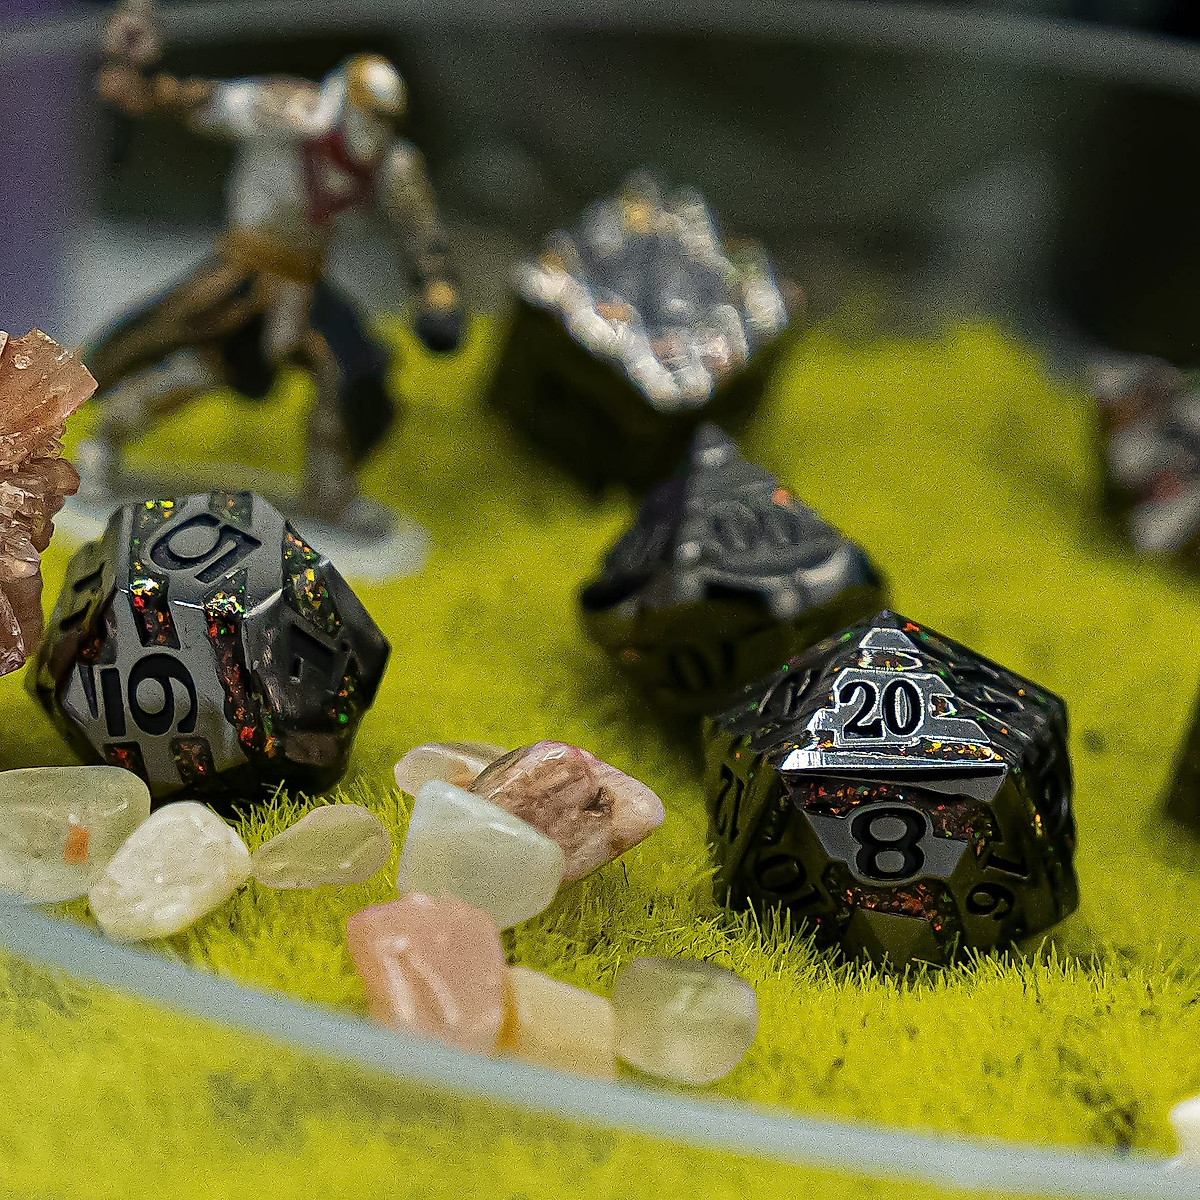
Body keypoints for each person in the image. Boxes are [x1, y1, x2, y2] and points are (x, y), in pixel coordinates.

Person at [90, 0, 464, 517]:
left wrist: (438, 295)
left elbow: (422, 235)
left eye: (385, 120)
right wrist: (150, 91)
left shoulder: (393, 165)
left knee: (355, 372)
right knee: (190, 360)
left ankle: (330, 489)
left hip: (307, 283)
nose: (373, 130)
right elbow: (207, 102)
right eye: (369, 115)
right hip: (243, 271)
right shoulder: (286, 113)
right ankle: (102, 443)